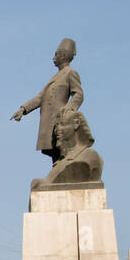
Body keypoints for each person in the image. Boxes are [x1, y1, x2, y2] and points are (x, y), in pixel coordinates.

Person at [10, 37, 84, 165]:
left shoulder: (70, 73)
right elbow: (40, 97)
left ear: (64, 55)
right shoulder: (55, 77)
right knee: (54, 153)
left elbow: (78, 94)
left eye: (56, 54)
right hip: (48, 121)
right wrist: (23, 109)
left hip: (59, 119)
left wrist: (69, 108)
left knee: (61, 148)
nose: (53, 57)